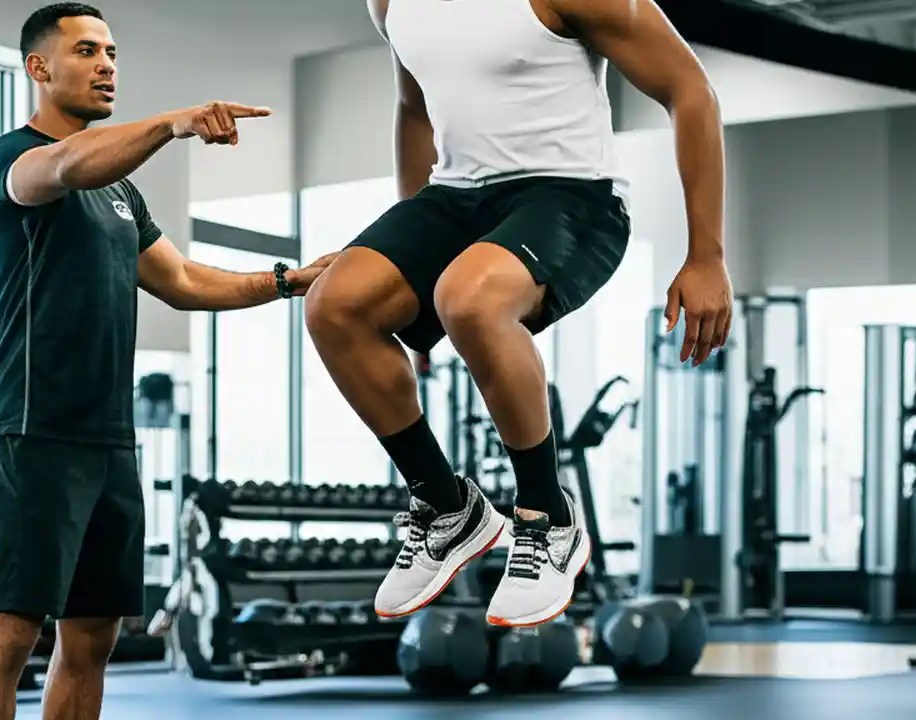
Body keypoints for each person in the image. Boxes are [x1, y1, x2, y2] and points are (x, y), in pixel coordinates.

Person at [305, 0, 733, 628]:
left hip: (571, 196)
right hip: (453, 196)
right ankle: (446, 507)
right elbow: (414, 107)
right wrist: (405, 268)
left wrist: (706, 255)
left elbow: (690, 90)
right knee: (336, 304)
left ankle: (547, 517)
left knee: (468, 297)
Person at [0, 4, 334, 718]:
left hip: (109, 439)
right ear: (39, 67)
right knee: (10, 631)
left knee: (92, 636)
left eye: (112, 52)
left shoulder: (120, 191)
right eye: (87, 50)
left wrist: (290, 280)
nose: (106, 65)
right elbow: (65, 164)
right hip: (33, 430)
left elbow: (186, 281)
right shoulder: (10, 160)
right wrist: (172, 123)